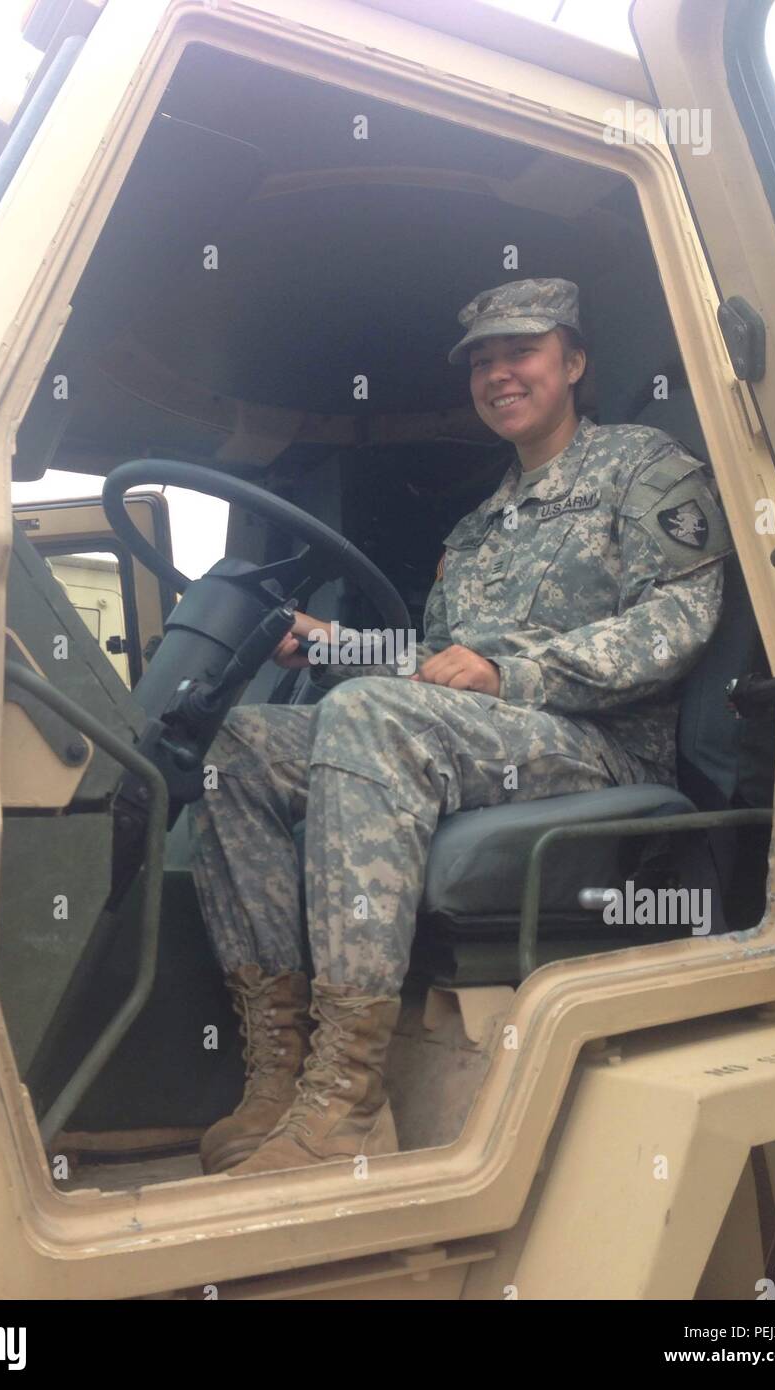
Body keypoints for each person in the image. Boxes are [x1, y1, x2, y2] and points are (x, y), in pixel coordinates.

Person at [188, 277, 732, 1176]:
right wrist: (339, 644)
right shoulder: (479, 526)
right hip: (476, 737)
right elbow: (438, 668)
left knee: (366, 719)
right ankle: (281, 1075)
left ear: (573, 361)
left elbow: (677, 619)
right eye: (481, 360)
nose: (498, 373)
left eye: (520, 351)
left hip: (598, 744)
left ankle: (346, 1101)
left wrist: (516, 672)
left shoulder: (644, 467)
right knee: (240, 749)